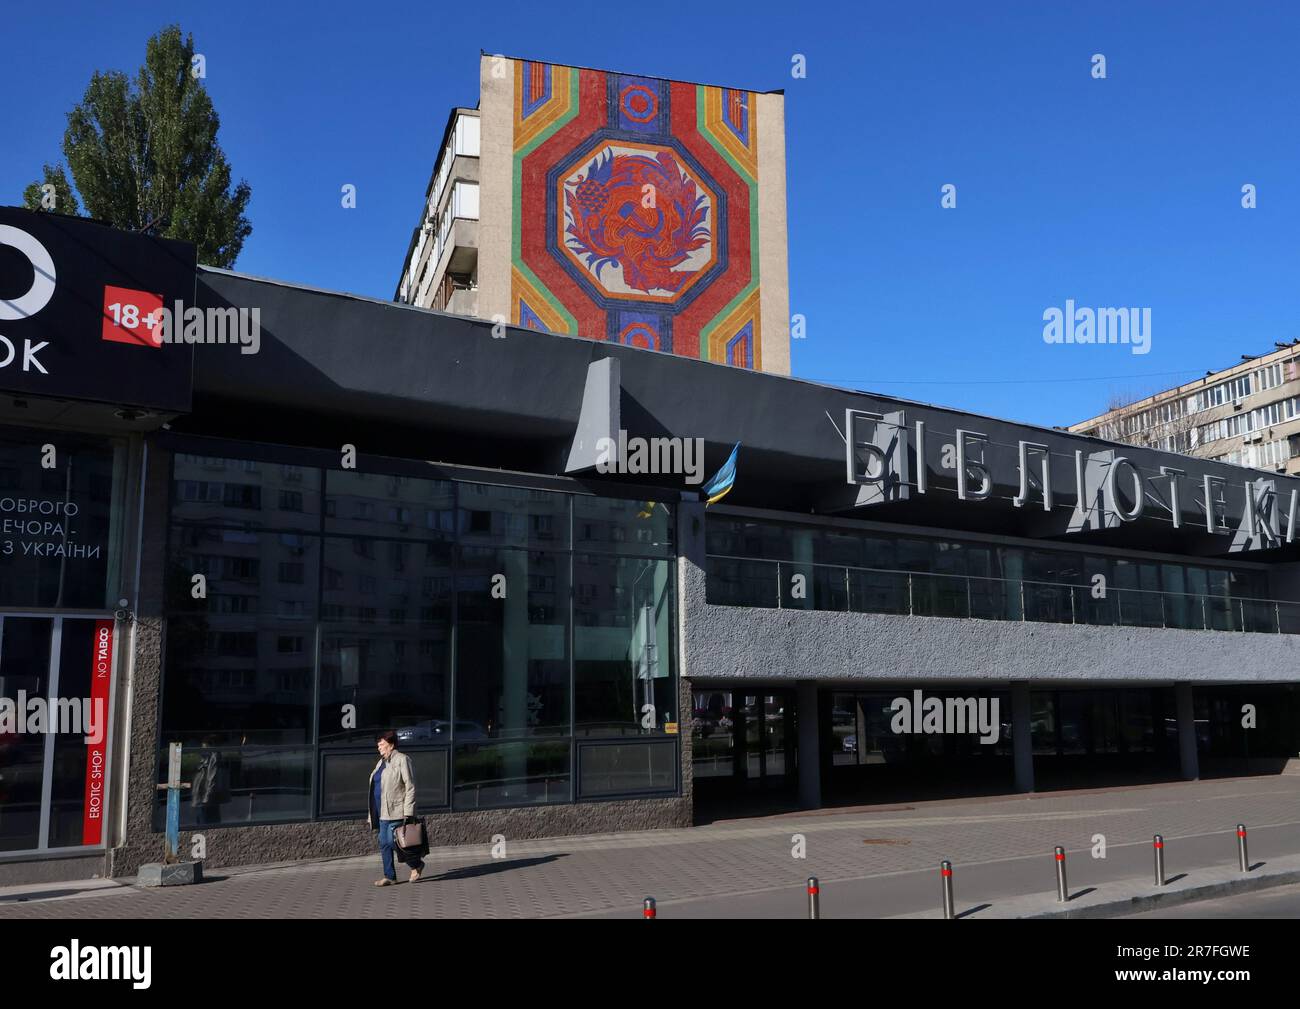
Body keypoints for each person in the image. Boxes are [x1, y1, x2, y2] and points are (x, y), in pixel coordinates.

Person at [368, 730, 424, 886]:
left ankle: (416, 865)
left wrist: (409, 811)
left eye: (381, 744)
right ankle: (390, 876)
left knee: (395, 842)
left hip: (397, 810)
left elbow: (410, 786)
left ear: (391, 745)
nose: (379, 747)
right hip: (382, 811)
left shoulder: (402, 760)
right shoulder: (382, 762)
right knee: (384, 843)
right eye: (378, 745)